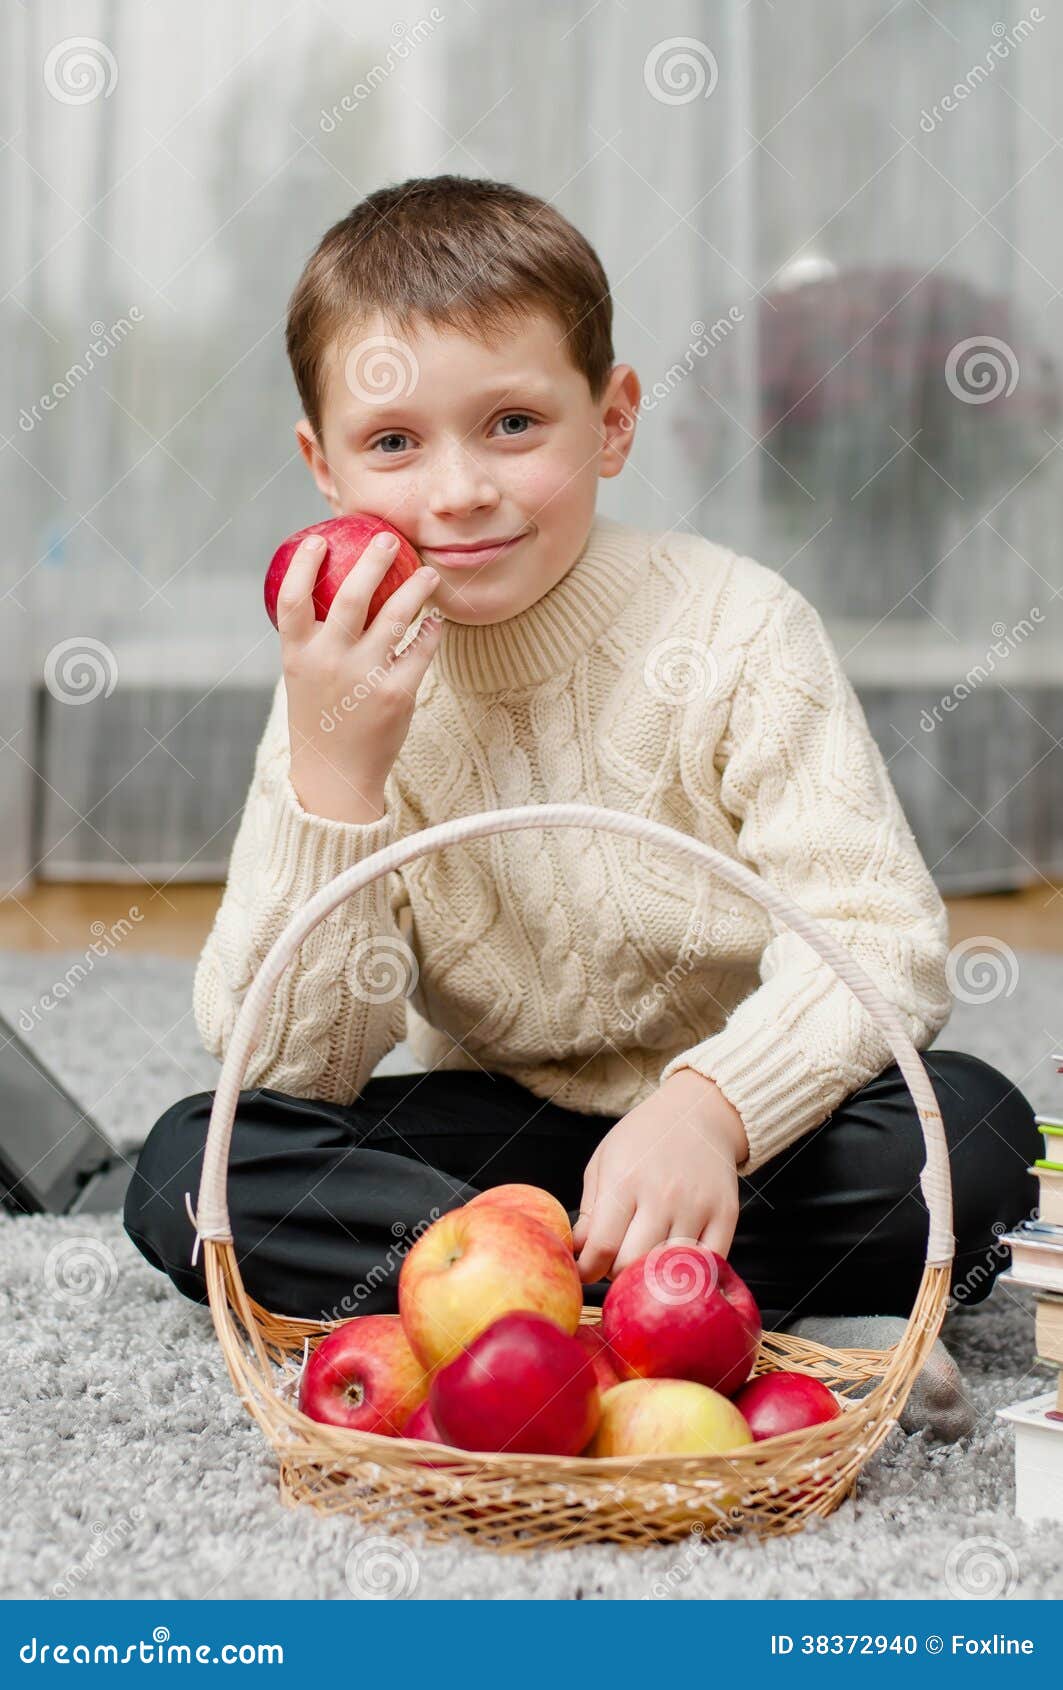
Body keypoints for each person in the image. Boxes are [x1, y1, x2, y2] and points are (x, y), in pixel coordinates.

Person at [124, 175, 1039, 1441]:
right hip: (503, 1162)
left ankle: (560, 1324)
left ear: (610, 423)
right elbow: (287, 1071)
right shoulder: (343, 669)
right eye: (395, 444)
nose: (457, 492)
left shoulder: (736, 623)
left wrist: (704, 1112)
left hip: (741, 1142)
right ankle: (674, 1323)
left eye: (511, 424)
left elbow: (878, 941)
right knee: (194, 1167)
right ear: (321, 464)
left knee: (977, 1133)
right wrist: (336, 775)